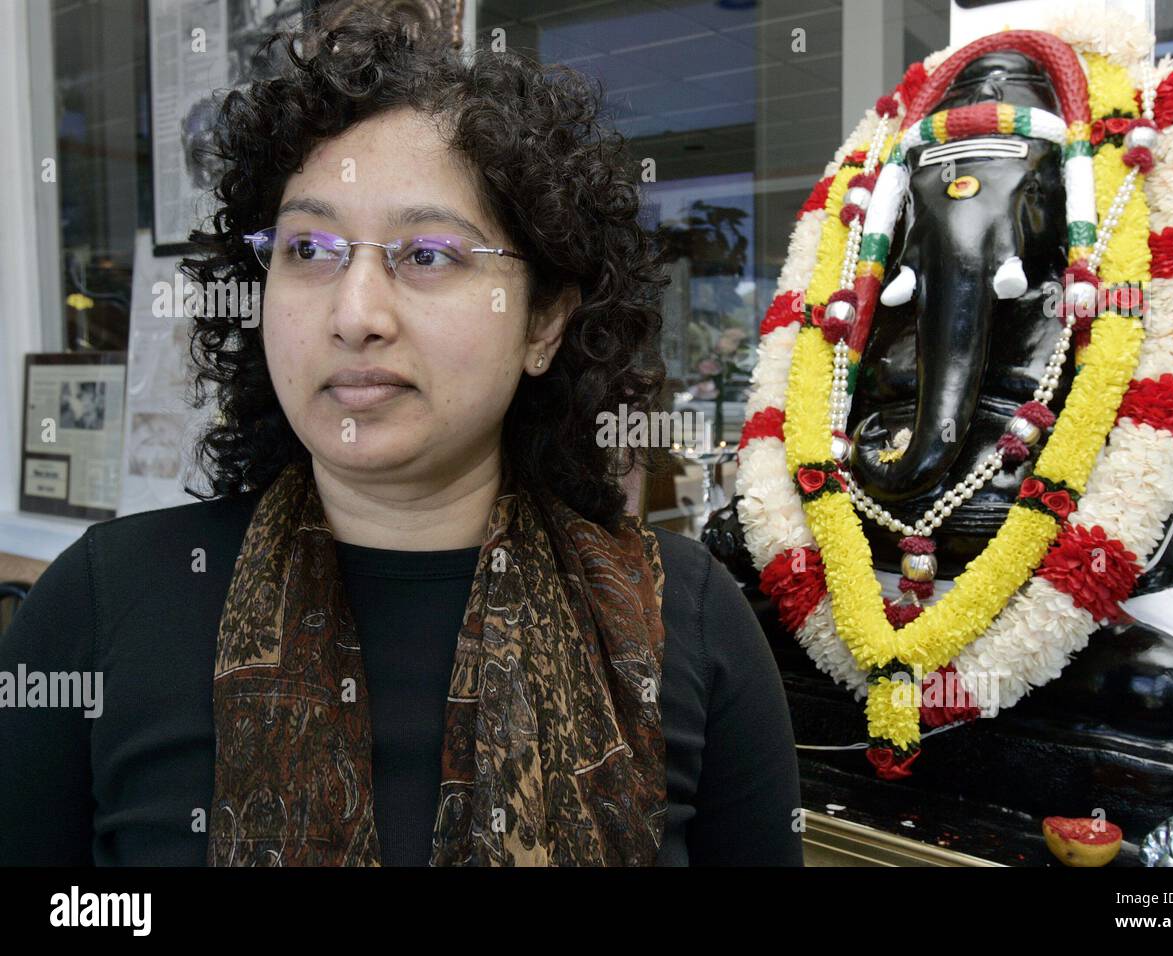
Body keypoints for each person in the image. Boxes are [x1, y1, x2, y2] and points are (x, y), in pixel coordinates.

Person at [0, 9, 802, 866]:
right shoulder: (98, 607)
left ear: (543, 322)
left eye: (426, 255)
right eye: (309, 247)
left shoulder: (691, 623)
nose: (355, 314)